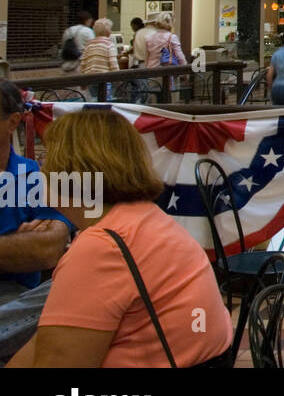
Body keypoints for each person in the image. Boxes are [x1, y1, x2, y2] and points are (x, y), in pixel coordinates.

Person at [5, 109, 232, 367]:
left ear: (68, 172)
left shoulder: (103, 248)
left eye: (48, 159)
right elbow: (46, 340)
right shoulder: (144, 217)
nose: (42, 169)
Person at [0, 82, 76, 362]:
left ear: (13, 121)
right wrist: (17, 245)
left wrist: (33, 247)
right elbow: (33, 248)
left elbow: (46, 250)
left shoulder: (35, 177)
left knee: (75, 286)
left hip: (14, 300)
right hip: (17, 314)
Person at [76, 18, 118, 99]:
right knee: (107, 100)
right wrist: (118, 78)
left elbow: (83, 63)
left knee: (95, 99)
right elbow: (113, 63)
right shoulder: (109, 44)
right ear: (108, 31)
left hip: (91, 78)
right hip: (106, 78)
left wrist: (82, 82)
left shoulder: (89, 44)